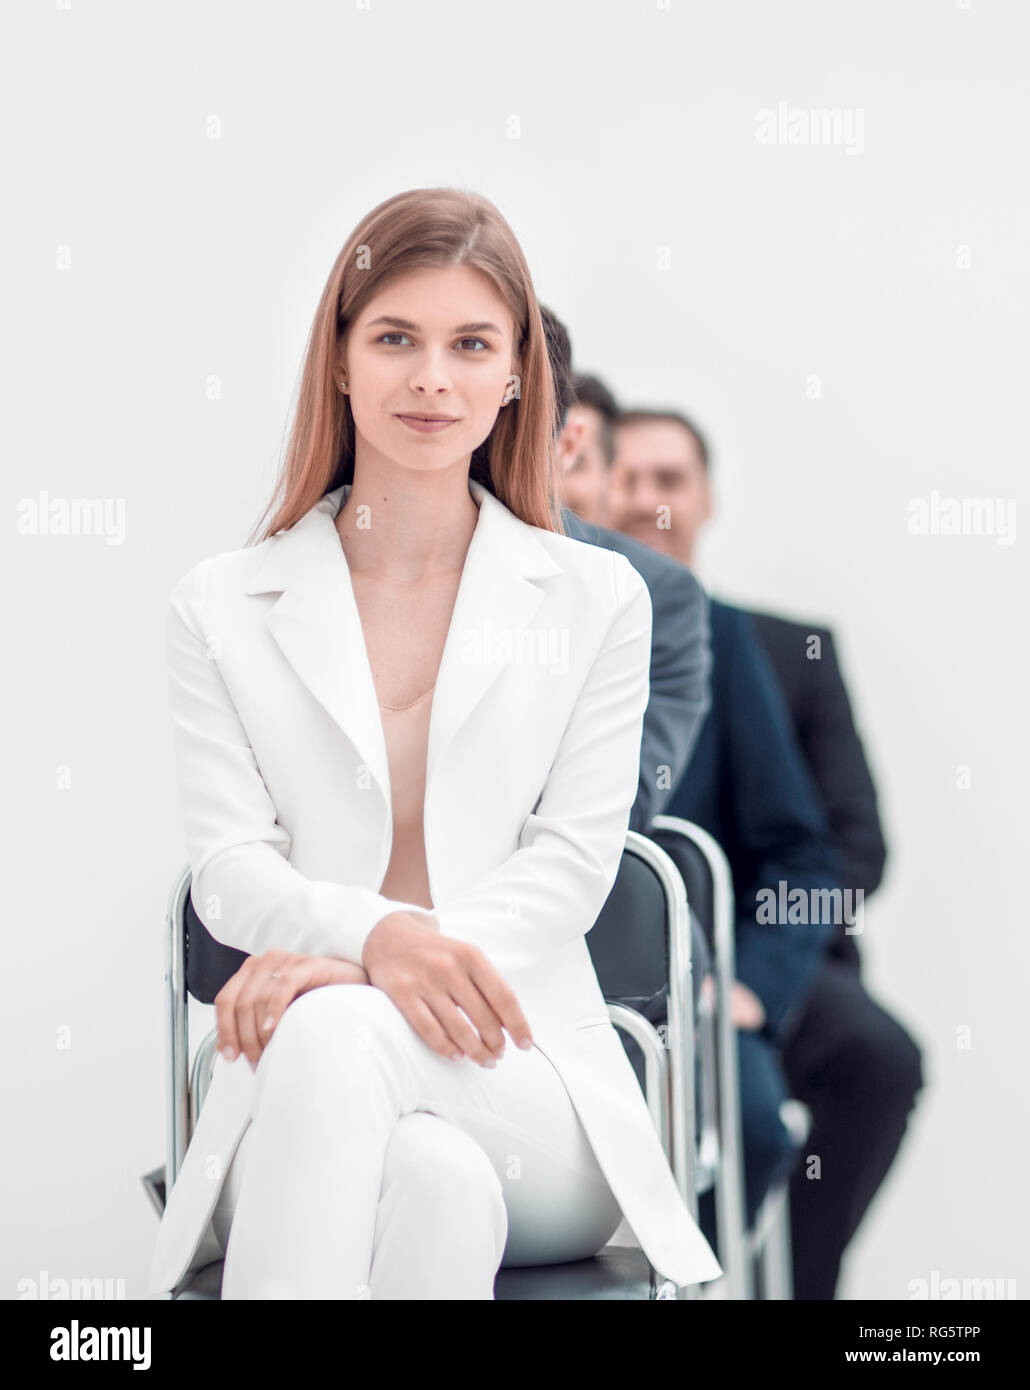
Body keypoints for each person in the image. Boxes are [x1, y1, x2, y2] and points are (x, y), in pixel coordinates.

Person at [148, 187, 721, 1301]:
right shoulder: (217, 603)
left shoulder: (598, 596)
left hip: (522, 1072)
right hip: (306, 1084)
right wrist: (379, 947)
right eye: (396, 339)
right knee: (435, 1186)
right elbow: (228, 874)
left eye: (470, 345)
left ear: (516, 375)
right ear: (341, 361)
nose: (430, 379)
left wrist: (356, 964)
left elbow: (568, 870)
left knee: (339, 1035)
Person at [611, 406, 923, 1296]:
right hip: (635, 953)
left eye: (668, 479)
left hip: (773, 950)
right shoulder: (570, 637)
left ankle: (802, 1281)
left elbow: (852, 847)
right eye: (625, 476)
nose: (644, 498)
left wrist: (751, 980)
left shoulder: (786, 650)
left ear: (706, 499)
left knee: (880, 1056)